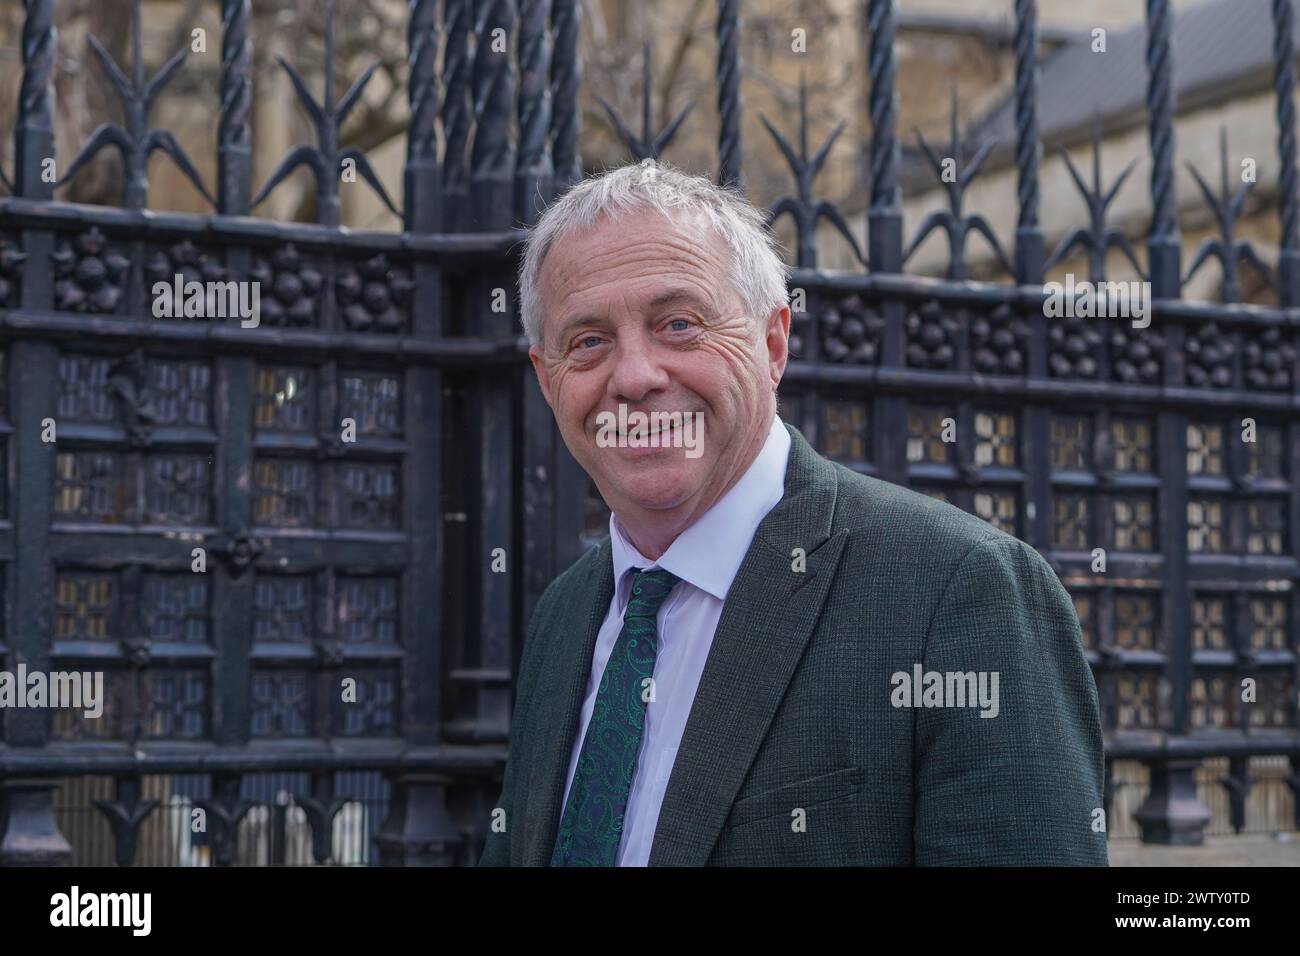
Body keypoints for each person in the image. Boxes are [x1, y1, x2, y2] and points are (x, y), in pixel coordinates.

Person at [478, 159, 1107, 866]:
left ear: (773, 342)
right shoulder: (567, 614)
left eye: (679, 324)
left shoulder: (958, 592)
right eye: (588, 340)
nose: (634, 377)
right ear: (546, 376)